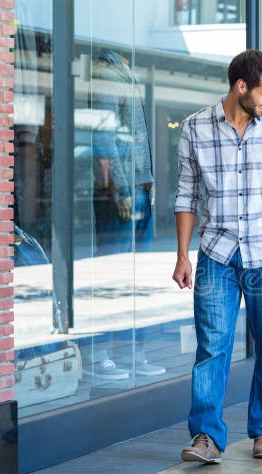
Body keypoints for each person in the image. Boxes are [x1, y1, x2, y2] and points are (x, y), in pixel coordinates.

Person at [173, 50, 262, 463]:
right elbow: (186, 195)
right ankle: (207, 437)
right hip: (216, 254)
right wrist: (182, 256)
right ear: (241, 86)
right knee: (212, 348)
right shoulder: (195, 127)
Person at [90, 49, 164, 380]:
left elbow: (135, 139)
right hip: (124, 193)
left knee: (136, 279)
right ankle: (99, 357)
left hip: (140, 190)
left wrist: (148, 184)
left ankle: (133, 353)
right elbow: (103, 136)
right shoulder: (106, 75)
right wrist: (120, 189)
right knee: (113, 277)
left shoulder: (126, 75)